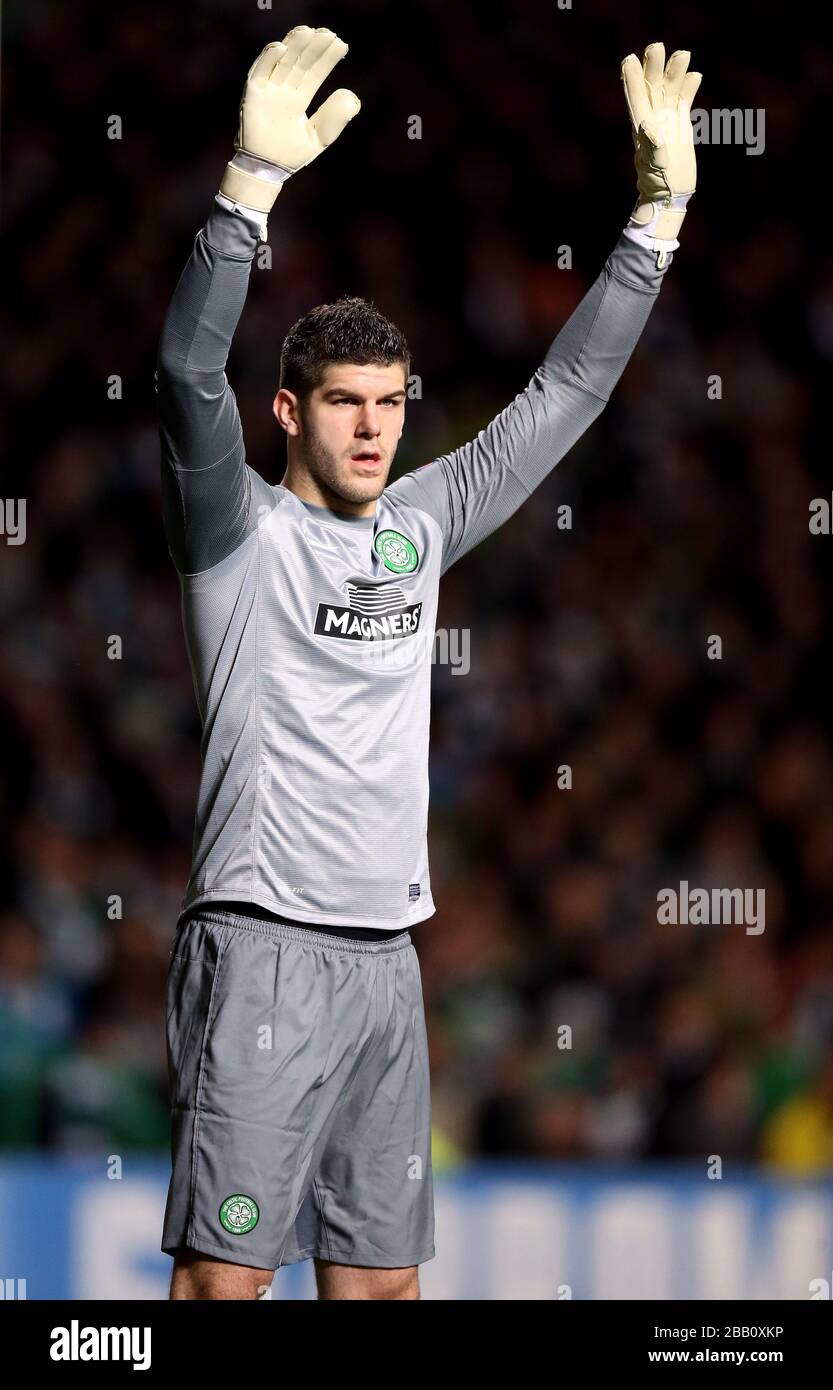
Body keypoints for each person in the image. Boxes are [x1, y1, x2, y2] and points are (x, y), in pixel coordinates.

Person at [156, 25, 701, 1299]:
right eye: (344, 402)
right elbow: (185, 367)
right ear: (288, 410)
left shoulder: (421, 521)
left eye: (391, 403)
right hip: (261, 941)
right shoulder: (236, 529)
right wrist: (246, 188)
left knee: (379, 1286)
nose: (371, 427)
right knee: (224, 1283)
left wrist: (656, 222)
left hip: (386, 957)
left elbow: (563, 396)